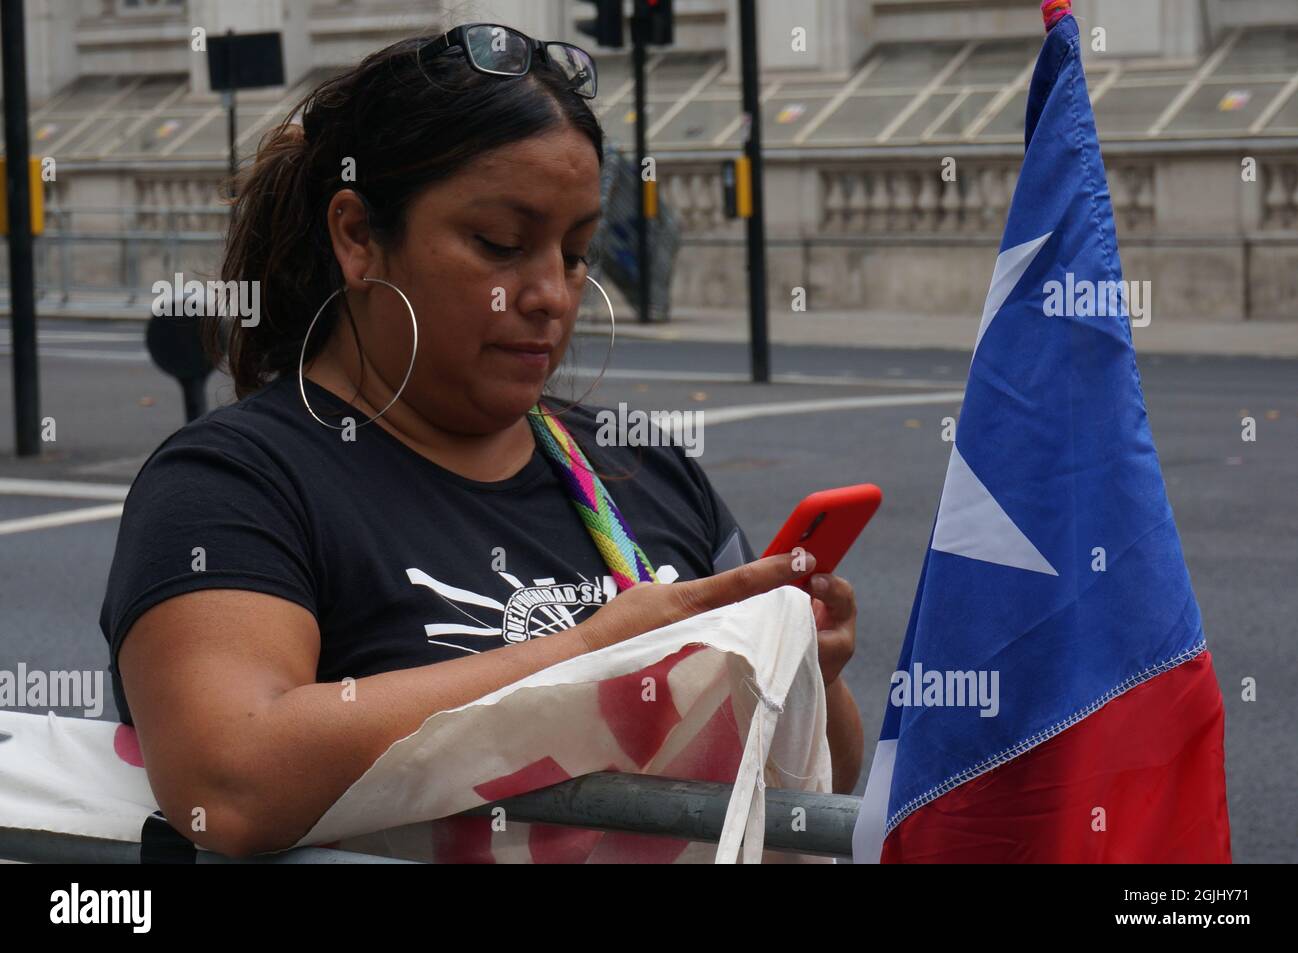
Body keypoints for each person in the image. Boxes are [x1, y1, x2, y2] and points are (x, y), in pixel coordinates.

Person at [99, 23, 863, 859]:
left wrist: (805, 673)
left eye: (575, 253)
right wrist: (592, 653)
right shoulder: (231, 483)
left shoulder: (641, 465)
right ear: (357, 236)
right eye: (500, 244)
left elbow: (817, 788)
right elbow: (229, 779)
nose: (550, 295)